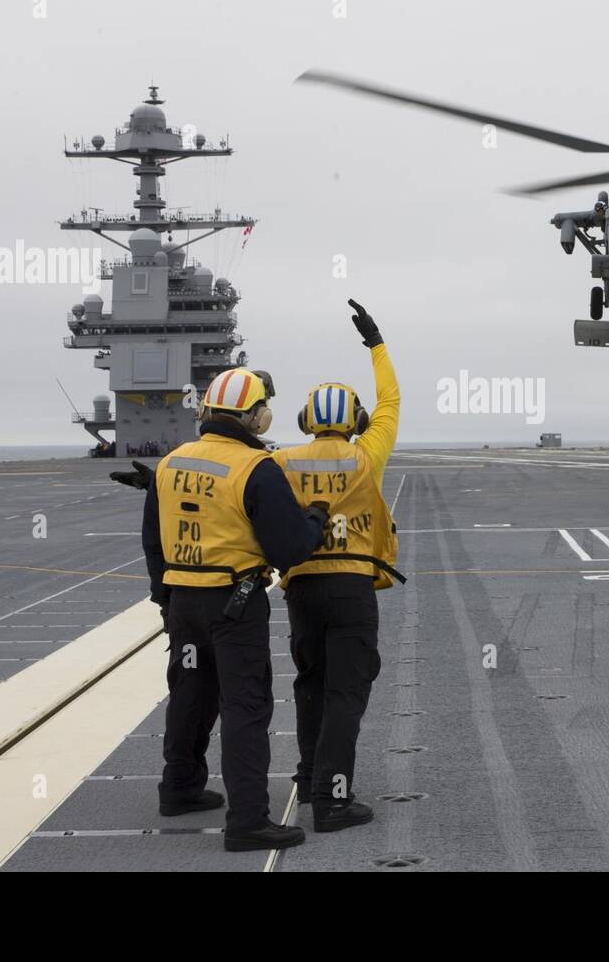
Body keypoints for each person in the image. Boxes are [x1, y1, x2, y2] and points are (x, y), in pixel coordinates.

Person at [142, 367, 331, 852]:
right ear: (257, 416)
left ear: (207, 412)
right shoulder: (256, 468)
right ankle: (248, 821)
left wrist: (165, 599)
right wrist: (314, 518)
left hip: (183, 603)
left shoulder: (171, 463)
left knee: (190, 693)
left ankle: (179, 787)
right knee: (245, 704)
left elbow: (153, 542)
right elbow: (290, 549)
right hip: (234, 604)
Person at [271, 299, 402, 833]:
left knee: (311, 684)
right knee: (348, 692)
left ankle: (308, 779)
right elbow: (390, 400)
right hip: (350, 587)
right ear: (356, 422)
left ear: (307, 421)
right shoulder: (365, 455)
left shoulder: (281, 461)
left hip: (301, 588)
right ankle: (333, 799)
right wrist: (376, 343)